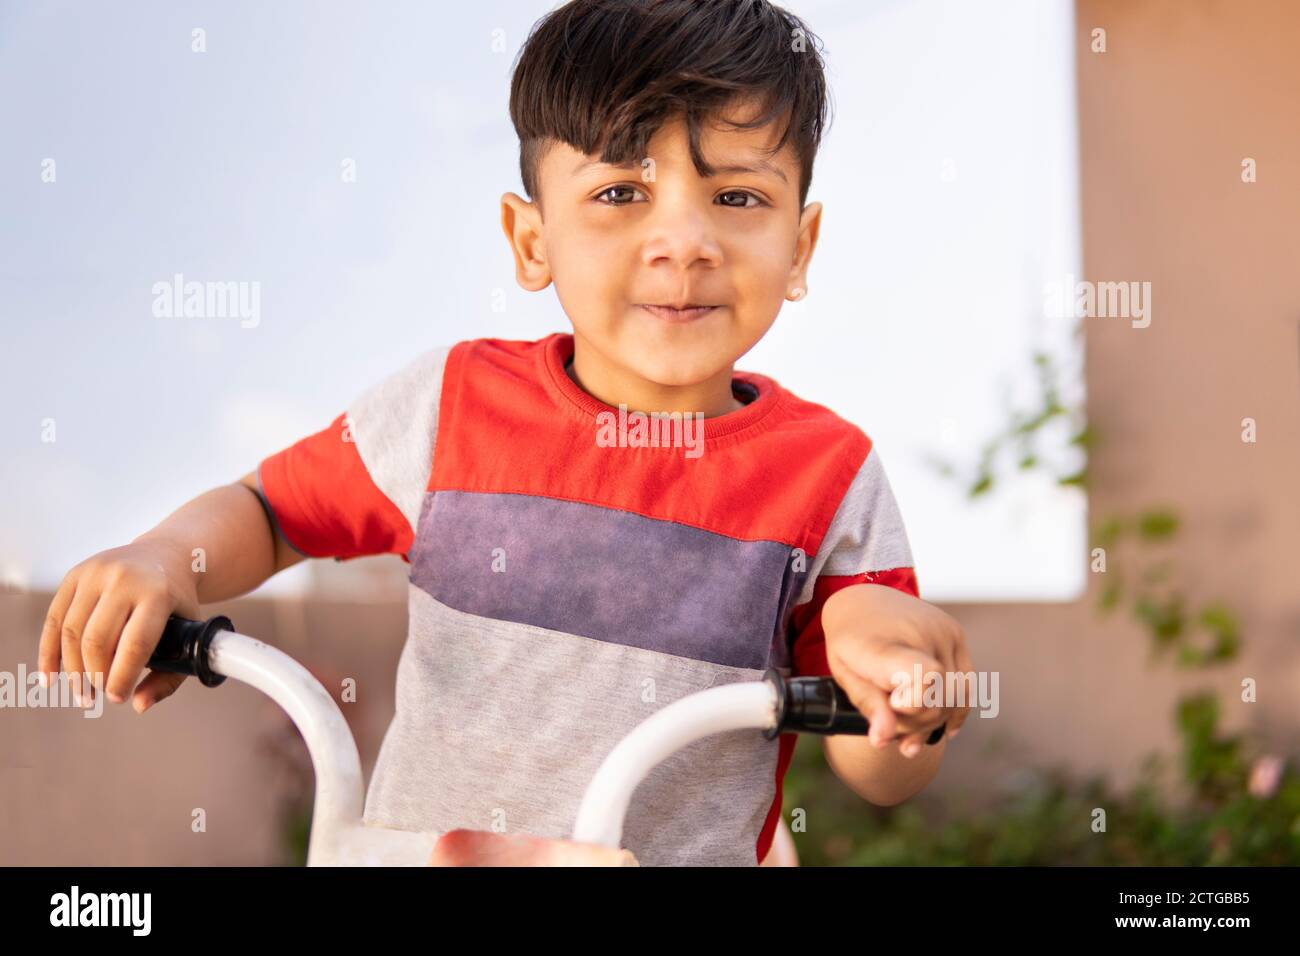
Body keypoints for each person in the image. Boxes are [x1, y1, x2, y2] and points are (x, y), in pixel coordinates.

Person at [39, 0, 973, 867]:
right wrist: (165, 560)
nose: (684, 241)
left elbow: (881, 764)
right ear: (531, 242)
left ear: (800, 246)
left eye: (736, 198)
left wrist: (900, 687)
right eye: (619, 194)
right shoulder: (454, 406)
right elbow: (271, 510)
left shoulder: (826, 470)